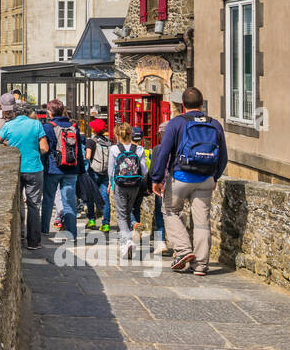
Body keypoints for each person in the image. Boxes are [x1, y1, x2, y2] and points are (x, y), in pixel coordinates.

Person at [150, 88, 228, 277]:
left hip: (181, 177)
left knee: (170, 210)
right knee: (202, 222)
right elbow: (223, 157)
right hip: (205, 179)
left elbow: (164, 152)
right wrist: (214, 177)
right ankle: (201, 265)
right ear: (202, 104)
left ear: (183, 104)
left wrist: (157, 178)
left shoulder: (177, 123)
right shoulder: (214, 124)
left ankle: (184, 251)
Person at [0, 102, 50, 249]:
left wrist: (10, 148)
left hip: (16, 168)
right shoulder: (36, 124)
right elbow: (44, 148)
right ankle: (33, 242)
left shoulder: (8, 125)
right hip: (34, 168)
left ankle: (19, 236)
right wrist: (33, 152)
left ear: (14, 113)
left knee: (17, 203)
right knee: (34, 206)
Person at [41, 99, 85, 239]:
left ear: (50, 111)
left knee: (48, 200)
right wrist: (81, 169)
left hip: (53, 169)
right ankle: (72, 234)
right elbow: (78, 151)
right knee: (69, 203)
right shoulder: (73, 126)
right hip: (71, 169)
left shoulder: (48, 127)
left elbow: (45, 149)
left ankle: (44, 232)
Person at [107, 124, 149, 259]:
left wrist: (110, 184)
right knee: (128, 211)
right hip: (135, 185)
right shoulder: (139, 149)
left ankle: (127, 241)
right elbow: (144, 170)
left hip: (120, 184)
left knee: (121, 214)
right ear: (131, 134)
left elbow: (111, 170)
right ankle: (127, 238)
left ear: (117, 136)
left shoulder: (114, 149)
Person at [85, 119, 112, 232]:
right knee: (105, 198)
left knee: (90, 196)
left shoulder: (91, 141)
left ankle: (91, 220)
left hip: (93, 172)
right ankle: (106, 224)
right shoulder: (109, 142)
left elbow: (88, 156)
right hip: (105, 173)